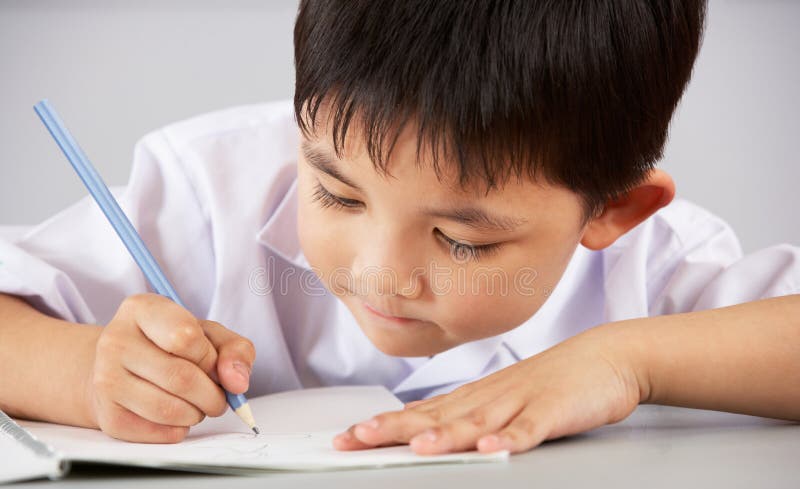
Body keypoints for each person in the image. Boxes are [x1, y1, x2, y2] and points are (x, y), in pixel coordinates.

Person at [0, 0, 797, 455]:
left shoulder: (659, 268)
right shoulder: (206, 188)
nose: (382, 274)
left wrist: (629, 362)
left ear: (612, 210)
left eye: (464, 241)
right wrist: (87, 372)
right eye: (339, 196)